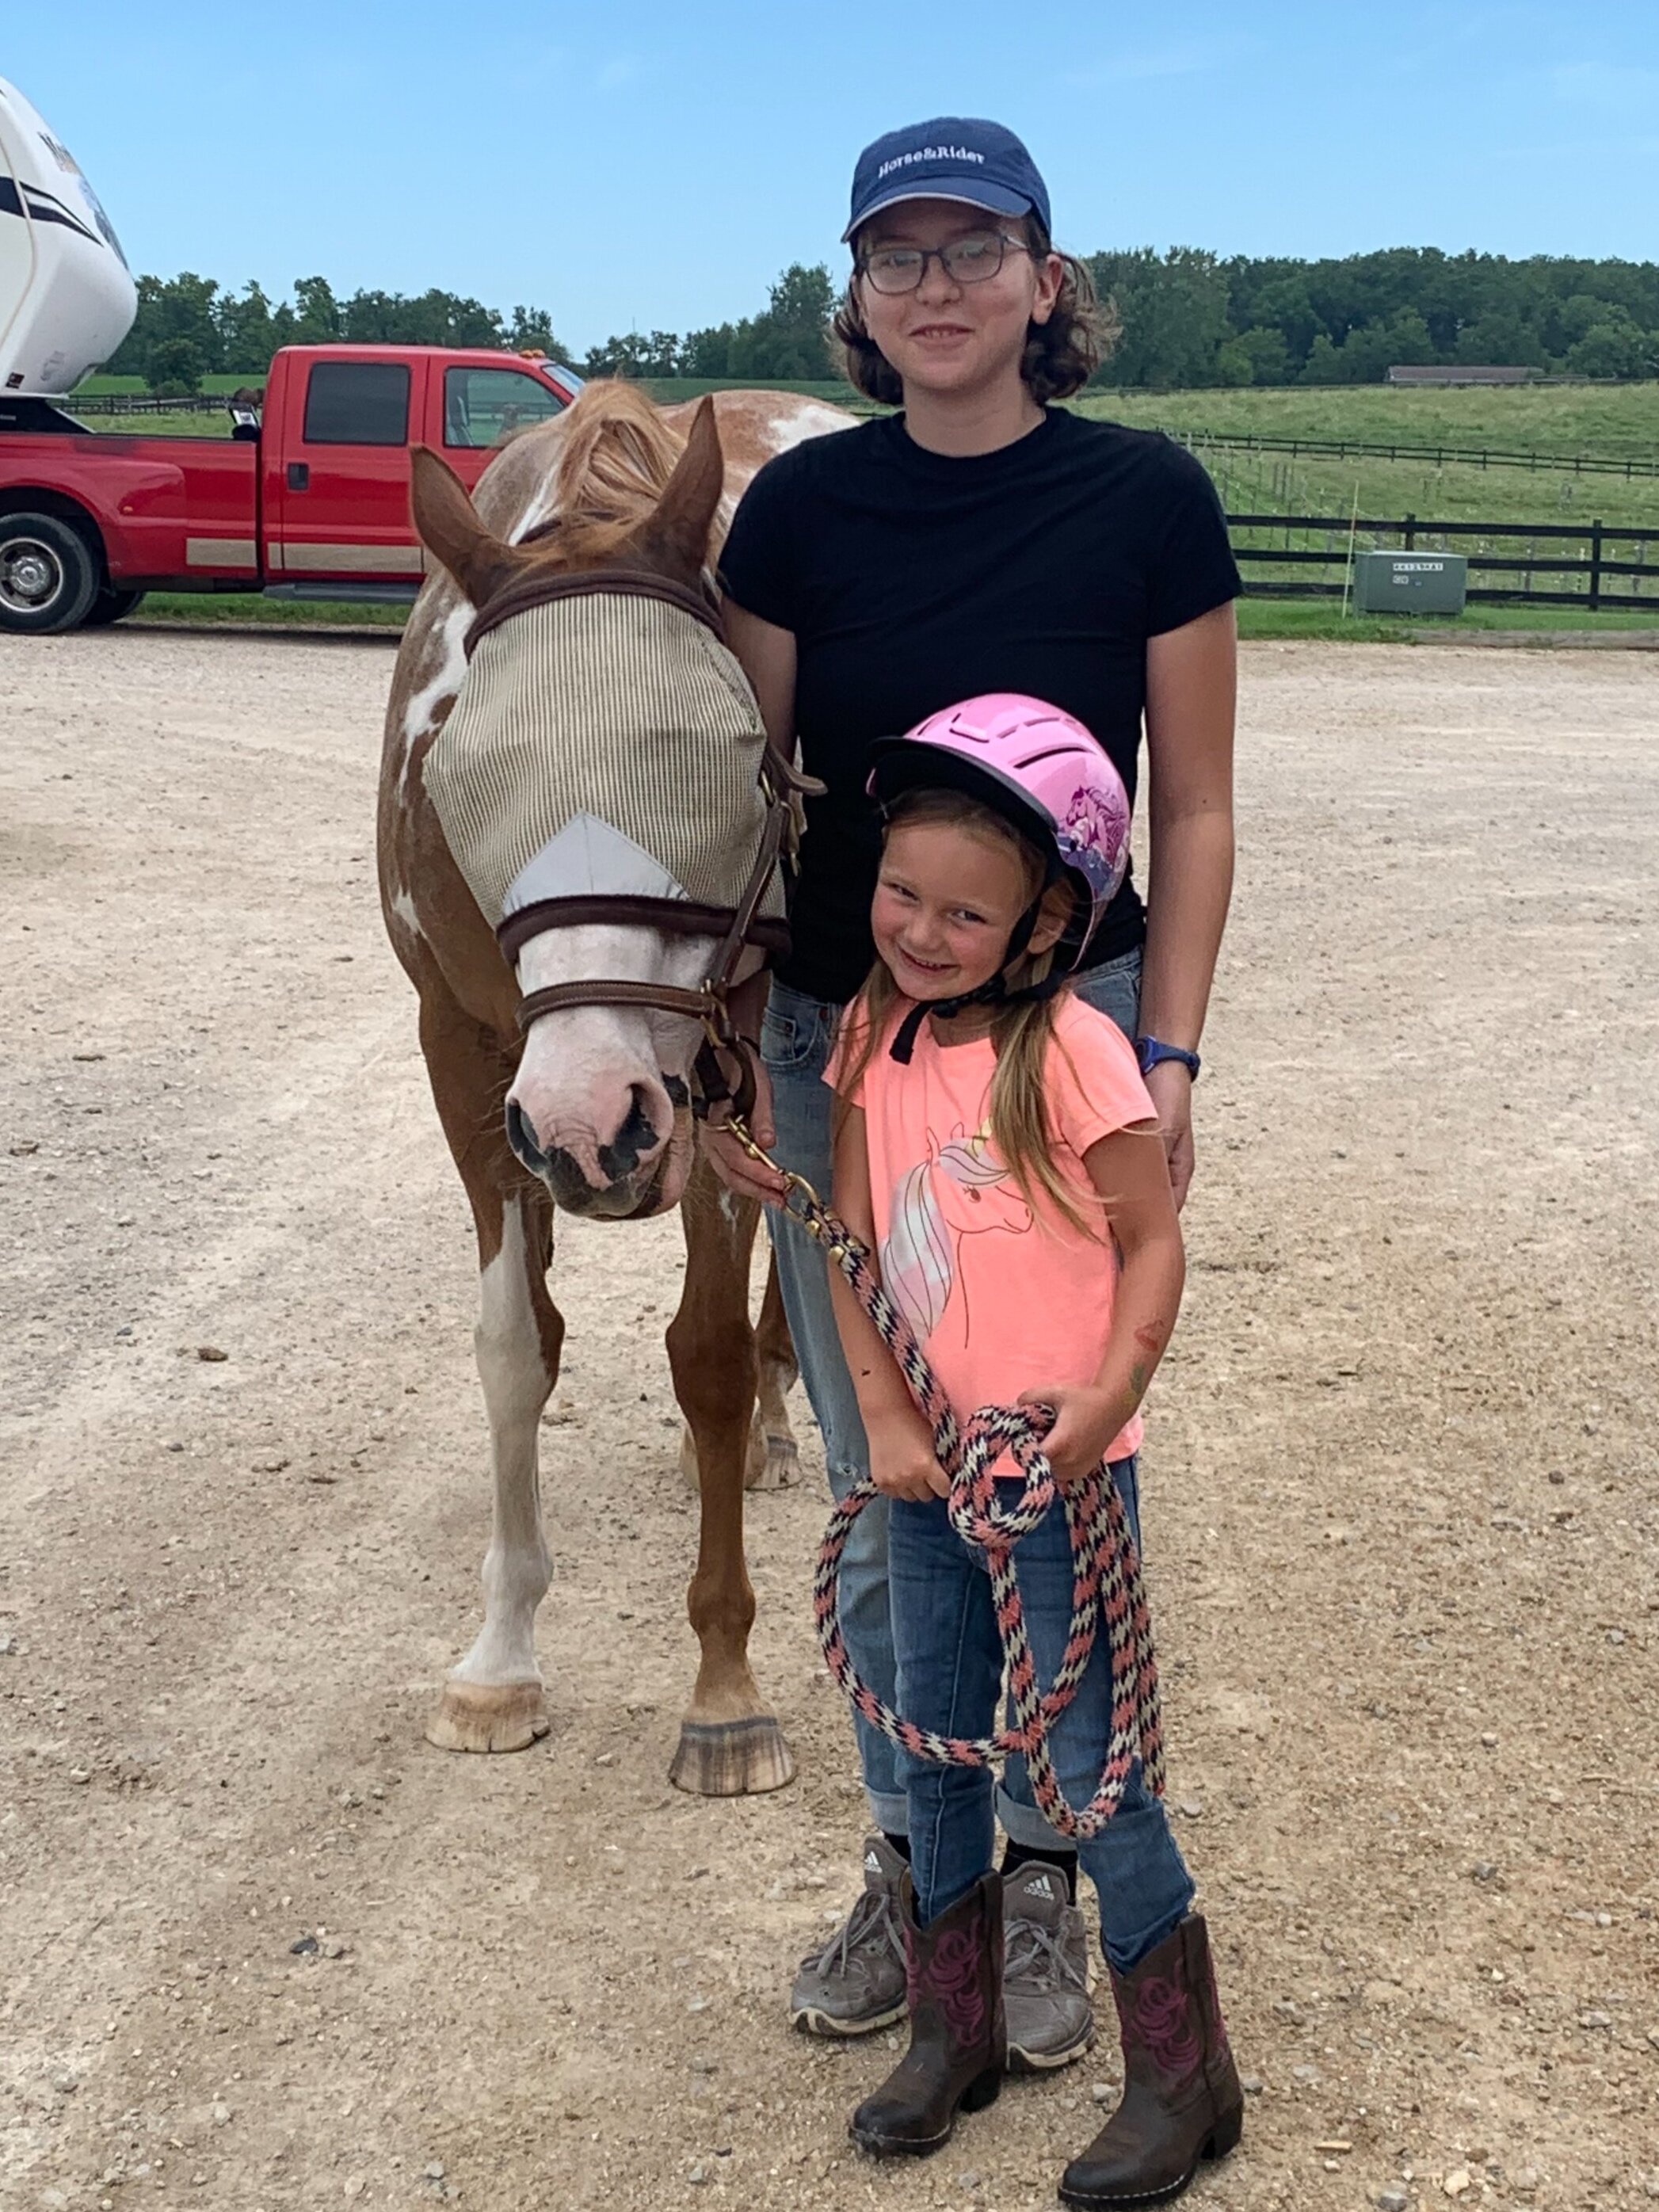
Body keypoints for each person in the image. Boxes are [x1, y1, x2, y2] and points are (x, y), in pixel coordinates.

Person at [706, 113, 1240, 2090]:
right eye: (895, 252)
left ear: (1044, 278)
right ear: (855, 298)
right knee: (889, 1485)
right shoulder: (803, 521)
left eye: (973, 246)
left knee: (1041, 1467)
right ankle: (919, 1848)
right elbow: (739, 789)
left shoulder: (1146, 500)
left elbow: (1190, 801)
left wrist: (1163, 1053)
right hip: (848, 1054)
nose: (934, 283)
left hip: (1056, 1048)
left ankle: (1037, 1874)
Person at [816, 700, 1242, 2199]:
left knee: (1089, 1768)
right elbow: (852, 1244)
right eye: (902, 895)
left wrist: (1107, 1396)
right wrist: (878, 1413)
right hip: (928, 1471)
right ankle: (956, 2028)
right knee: (932, 1739)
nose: (922, 932)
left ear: (1050, 919)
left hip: (1052, 1474)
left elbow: (1150, 1239)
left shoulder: (1072, 1049)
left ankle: (1182, 2076)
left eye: (966, 912)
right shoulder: (869, 1031)